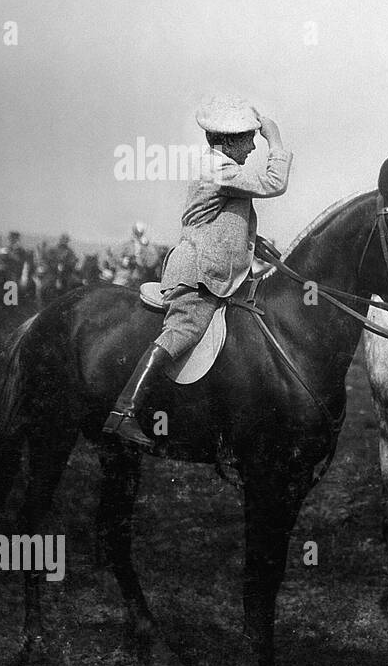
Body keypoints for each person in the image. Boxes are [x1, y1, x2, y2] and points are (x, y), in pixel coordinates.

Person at [102, 96, 291, 448]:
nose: (253, 147)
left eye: (256, 139)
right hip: (198, 274)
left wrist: (251, 242)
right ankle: (124, 412)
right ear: (229, 142)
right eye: (249, 140)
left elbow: (219, 220)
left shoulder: (222, 167)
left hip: (216, 271)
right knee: (184, 331)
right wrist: (275, 141)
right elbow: (273, 182)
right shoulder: (219, 168)